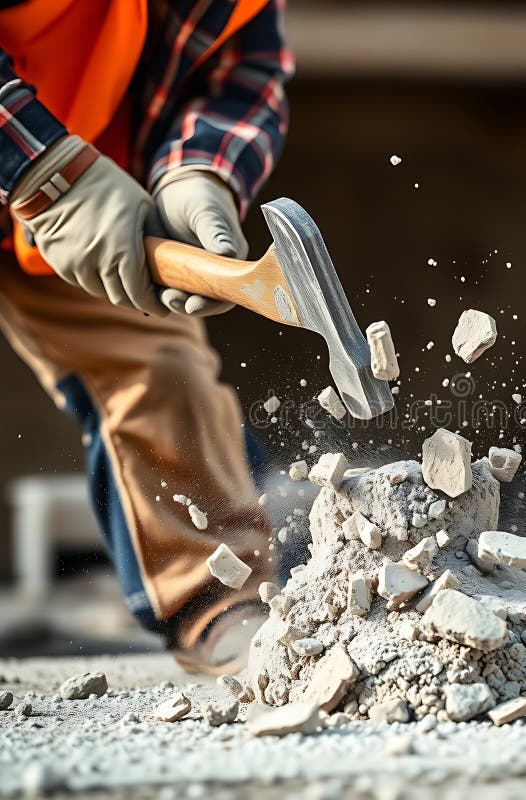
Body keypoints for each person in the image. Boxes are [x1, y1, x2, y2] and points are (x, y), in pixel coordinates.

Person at [0, 0, 294, 673]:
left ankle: (220, 596)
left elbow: (239, 69)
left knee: (163, 371)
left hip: (86, 194)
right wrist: (40, 169)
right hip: (58, 175)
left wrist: (198, 171)